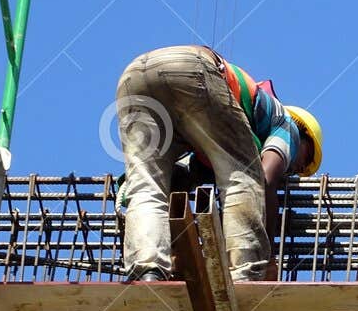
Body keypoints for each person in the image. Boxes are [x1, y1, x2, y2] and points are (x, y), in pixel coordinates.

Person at [115, 45, 321, 282]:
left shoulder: (213, 143)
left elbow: (180, 178)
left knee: (147, 184)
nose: (294, 170)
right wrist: (269, 257)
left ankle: (148, 270)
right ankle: (247, 274)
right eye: (303, 163)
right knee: (243, 176)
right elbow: (265, 179)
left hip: (134, 77)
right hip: (192, 69)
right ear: (304, 135)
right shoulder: (288, 126)